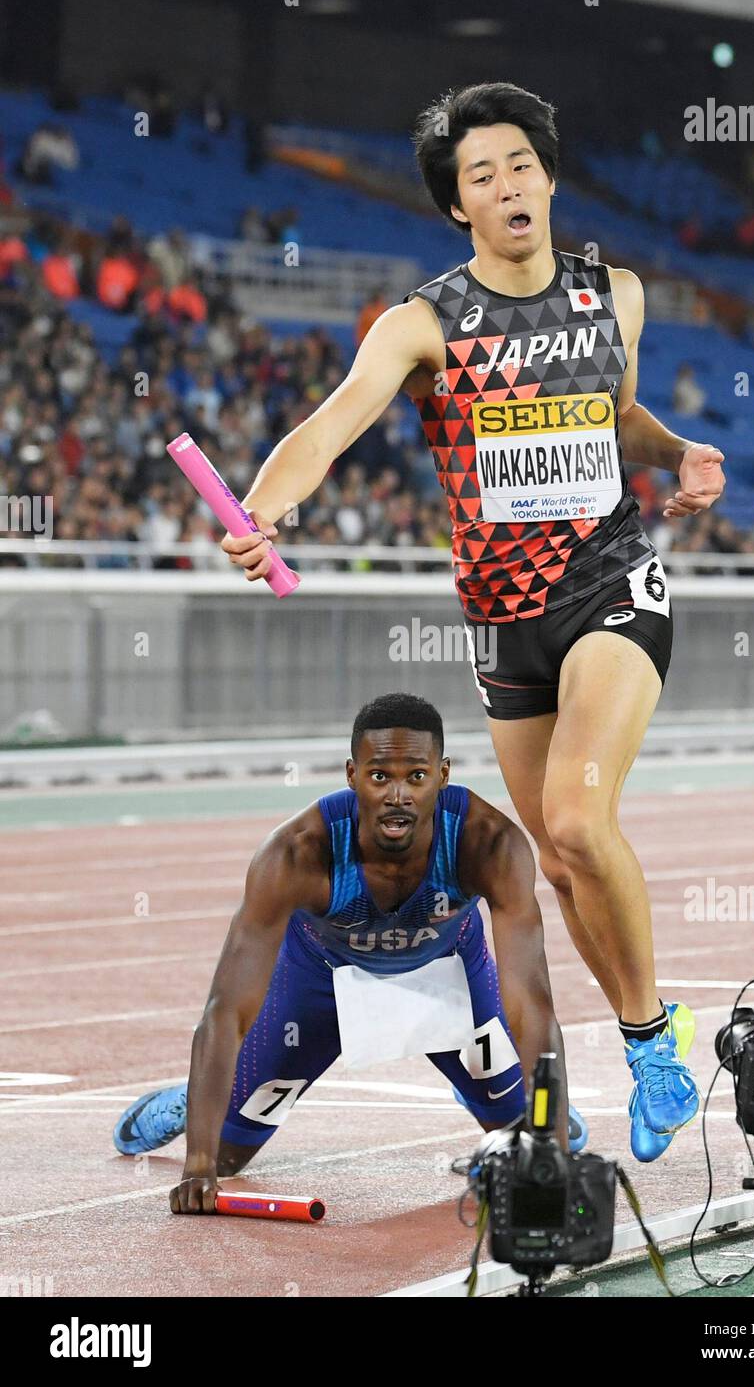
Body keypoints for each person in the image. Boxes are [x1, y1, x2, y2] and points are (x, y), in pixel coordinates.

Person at [219, 83, 720, 1160]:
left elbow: (613, 413)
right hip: (502, 620)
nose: (504, 186)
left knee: (582, 821)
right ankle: (648, 1024)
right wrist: (264, 507)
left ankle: (650, 1039)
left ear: (547, 176)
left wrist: (675, 452)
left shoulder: (613, 295)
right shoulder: (424, 323)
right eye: (478, 176)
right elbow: (329, 425)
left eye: (518, 165)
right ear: (458, 207)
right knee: (552, 858)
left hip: (610, 587)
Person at [113, 694, 613, 1211]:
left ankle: (487, 1090)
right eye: (380, 777)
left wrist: (551, 1152)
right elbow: (225, 1013)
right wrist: (197, 1166)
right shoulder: (296, 854)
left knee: (546, 1136)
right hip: (321, 980)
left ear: (443, 775)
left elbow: (531, 1004)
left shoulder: (487, 843)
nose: (398, 795)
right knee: (224, 1159)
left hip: (448, 974)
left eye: (416, 777)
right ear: (352, 775)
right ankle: (190, 1100)